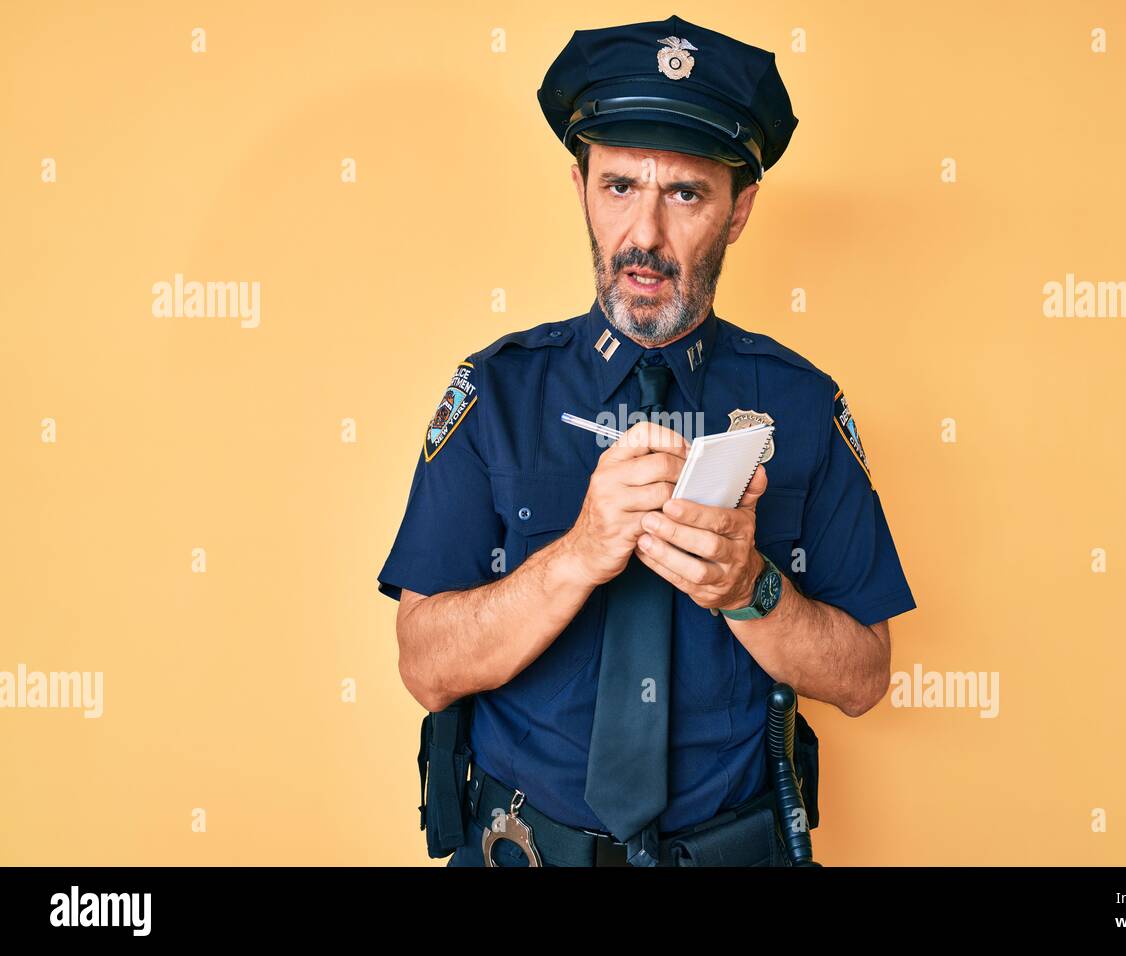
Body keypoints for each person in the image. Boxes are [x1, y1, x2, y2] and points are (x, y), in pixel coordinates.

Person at [377, 13, 916, 867]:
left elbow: (863, 680)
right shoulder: (496, 392)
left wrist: (749, 586)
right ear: (580, 189)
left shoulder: (804, 406)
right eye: (619, 186)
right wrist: (579, 553)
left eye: (687, 194)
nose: (644, 239)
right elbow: (425, 669)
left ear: (739, 211)